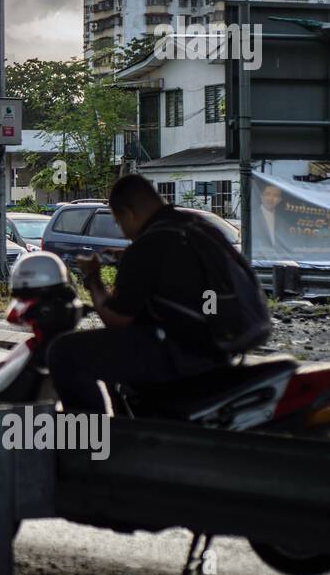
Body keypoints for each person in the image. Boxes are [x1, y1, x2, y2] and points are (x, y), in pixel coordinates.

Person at [48, 174, 234, 414]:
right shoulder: (194, 227)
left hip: (179, 352)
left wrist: (92, 277)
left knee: (64, 352)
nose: (123, 232)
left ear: (128, 213)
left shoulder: (149, 244)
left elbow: (116, 318)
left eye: (119, 222)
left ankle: (88, 435)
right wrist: (126, 258)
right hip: (217, 343)